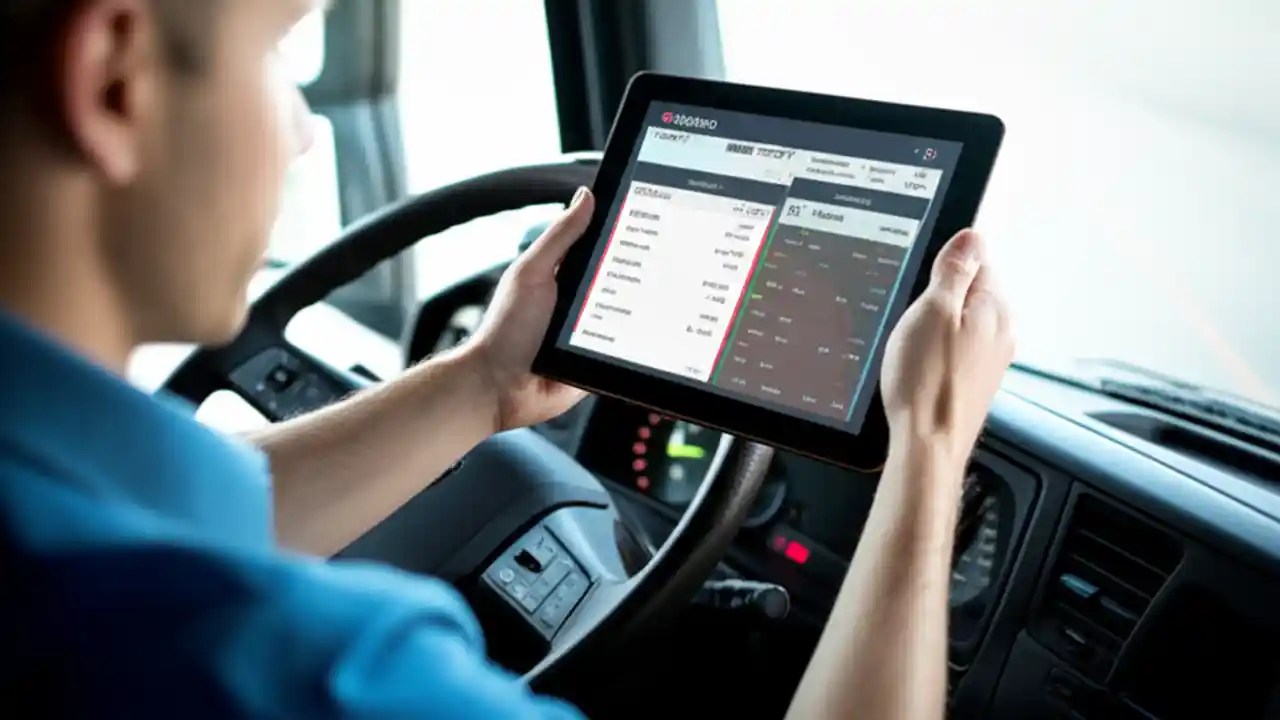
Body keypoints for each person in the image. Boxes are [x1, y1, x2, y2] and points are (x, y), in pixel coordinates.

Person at [0, 0, 1014, 718]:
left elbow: (169, 523)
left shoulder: (51, 512)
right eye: (283, 54)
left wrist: (483, 381)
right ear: (113, 80)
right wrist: (927, 447)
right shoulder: (302, 672)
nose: (308, 133)